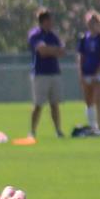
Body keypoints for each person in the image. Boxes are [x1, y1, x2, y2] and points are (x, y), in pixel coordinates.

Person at [28, 8, 66, 141]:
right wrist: (52, 50)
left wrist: (50, 50)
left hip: (54, 72)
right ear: (44, 21)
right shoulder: (35, 34)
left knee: (55, 104)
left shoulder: (53, 35)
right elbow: (42, 51)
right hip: (40, 74)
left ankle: (58, 130)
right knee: (38, 105)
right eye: (49, 20)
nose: (51, 23)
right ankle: (32, 131)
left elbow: (62, 51)